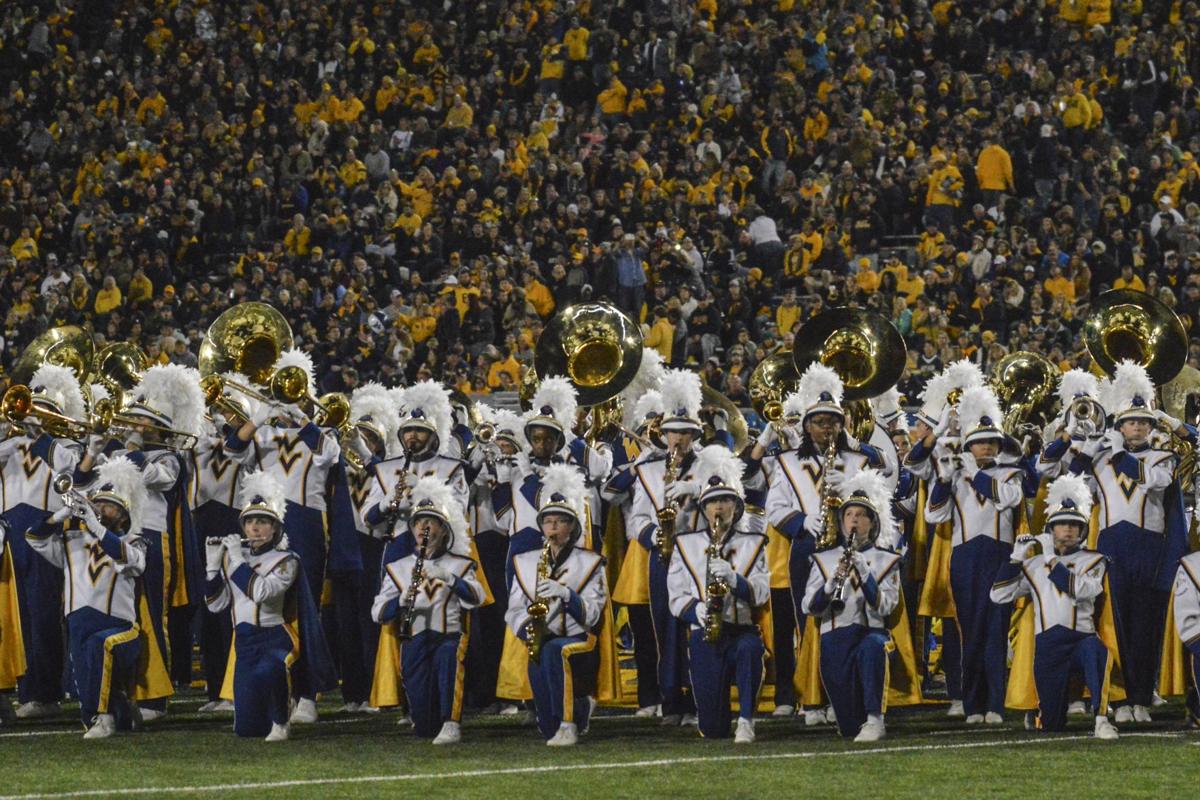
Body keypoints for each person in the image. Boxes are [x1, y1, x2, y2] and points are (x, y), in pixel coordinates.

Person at [226, 349, 354, 725]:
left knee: (304, 610)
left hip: (305, 524)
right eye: (283, 389)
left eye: (295, 390)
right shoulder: (262, 431)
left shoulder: (322, 433)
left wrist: (301, 420)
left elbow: (328, 455)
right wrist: (259, 417)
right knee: (261, 609)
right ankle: (266, 689)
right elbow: (233, 451)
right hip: (264, 526)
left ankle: (307, 694)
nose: (287, 396)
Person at [762, 363, 886, 722]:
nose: (826, 428)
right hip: (806, 547)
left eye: (833, 421)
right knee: (807, 620)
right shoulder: (786, 461)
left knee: (845, 622)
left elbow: (890, 469)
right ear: (806, 425)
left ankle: (838, 696)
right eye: (819, 421)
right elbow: (774, 508)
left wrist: (852, 444)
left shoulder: (857, 458)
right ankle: (809, 698)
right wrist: (803, 522)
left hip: (848, 548)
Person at [1066, 360, 1186, 724]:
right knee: (1114, 626)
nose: (1137, 426)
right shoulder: (1102, 458)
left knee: (1146, 625)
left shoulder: (1163, 457)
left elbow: (1154, 481)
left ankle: (1140, 697)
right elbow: (1067, 478)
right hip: (1112, 550)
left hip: (1149, 550)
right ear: (1120, 425)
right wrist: (1083, 438)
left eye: (1143, 421)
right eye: (1130, 421)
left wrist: (1116, 452)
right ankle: (1119, 698)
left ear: (1151, 426)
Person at [205, 471, 335, 741]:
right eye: (250, 521)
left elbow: (261, 592)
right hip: (244, 642)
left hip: (275, 637)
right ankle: (271, 711)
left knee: (271, 669)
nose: (255, 528)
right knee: (247, 730)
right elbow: (216, 605)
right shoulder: (235, 561)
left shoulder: (288, 560)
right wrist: (212, 568)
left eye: (263, 522)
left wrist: (237, 561)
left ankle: (281, 721)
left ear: (275, 528)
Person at [989, 474, 1119, 740]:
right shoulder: (1034, 564)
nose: (1068, 530)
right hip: (1048, 645)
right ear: (1051, 530)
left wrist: (1048, 558)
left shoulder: (1094, 560)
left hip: (1081, 638)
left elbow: (1080, 590)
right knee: (1051, 726)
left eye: (1074, 525)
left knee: (1098, 653)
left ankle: (1102, 718)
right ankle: (1043, 712)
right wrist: (1014, 560)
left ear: (1083, 531)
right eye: (1061, 525)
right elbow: (999, 595)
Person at [26, 457, 148, 739]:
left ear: (124, 515)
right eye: (99, 503)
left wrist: (94, 524)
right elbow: (33, 537)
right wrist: (61, 515)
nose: (102, 509)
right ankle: (118, 714)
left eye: (111, 507)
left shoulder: (135, 541)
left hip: (121, 629)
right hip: (78, 625)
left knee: (99, 645)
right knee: (84, 690)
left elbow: (131, 562)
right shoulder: (72, 541)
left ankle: (104, 717)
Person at [924, 384, 1024, 725]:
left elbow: (1006, 499)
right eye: (981, 442)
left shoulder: (1011, 474)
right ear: (969, 445)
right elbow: (934, 515)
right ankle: (972, 705)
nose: (987, 446)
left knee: (995, 630)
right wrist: (943, 479)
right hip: (965, 558)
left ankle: (995, 704)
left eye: (992, 442)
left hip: (999, 556)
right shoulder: (957, 477)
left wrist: (973, 472)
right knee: (970, 631)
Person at [1, 364, 88, 720]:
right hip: (8, 535)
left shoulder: (67, 446)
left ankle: (46, 691)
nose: (28, 415)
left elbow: (75, 473)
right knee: (14, 617)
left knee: (42, 615)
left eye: (37, 410)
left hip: (43, 533)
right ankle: (20, 688)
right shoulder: (10, 443)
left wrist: (39, 438)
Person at [371, 476, 485, 744]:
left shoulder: (460, 564)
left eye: (431, 522)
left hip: (449, 636)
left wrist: (451, 579)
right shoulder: (398, 567)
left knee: (448, 660)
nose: (425, 528)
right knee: (424, 726)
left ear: (444, 530)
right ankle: (428, 717)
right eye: (420, 522)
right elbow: (377, 612)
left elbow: (477, 597)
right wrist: (400, 601)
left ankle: (452, 721)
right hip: (415, 637)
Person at [668, 446, 769, 742]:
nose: (719, 508)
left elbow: (761, 593)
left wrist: (736, 580)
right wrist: (696, 610)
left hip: (742, 631)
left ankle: (747, 720)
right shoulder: (686, 544)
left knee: (751, 650)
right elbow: (675, 595)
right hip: (706, 632)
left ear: (737, 507)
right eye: (713, 502)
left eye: (726, 500)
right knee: (711, 730)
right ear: (704, 509)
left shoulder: (754, 542)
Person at [505, 464, 606, 746]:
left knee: (553, 651)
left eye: (559, 521)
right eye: (547, 521)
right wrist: (527, 628)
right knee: (545, 725)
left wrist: (566, 595)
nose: (552, 527)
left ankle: (568, 723)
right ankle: (574, 711)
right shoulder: (526, 562)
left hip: (578, 637)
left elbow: (594, 614)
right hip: (541, 636)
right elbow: (513, 608)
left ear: (572, 526)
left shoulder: (590, 563)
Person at [802, 468, 903, 742]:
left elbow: (886, 606)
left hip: (872, 635)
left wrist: (866, 573)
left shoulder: (887, 560)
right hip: (834, 636)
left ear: (872, 522)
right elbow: (808, 607)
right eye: (849, 515)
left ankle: (875, 718)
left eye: (860, 515)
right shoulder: (823, 559)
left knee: (872, 647)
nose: (854, 520)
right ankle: (856, 715)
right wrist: (830, 583)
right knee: (848, 728)